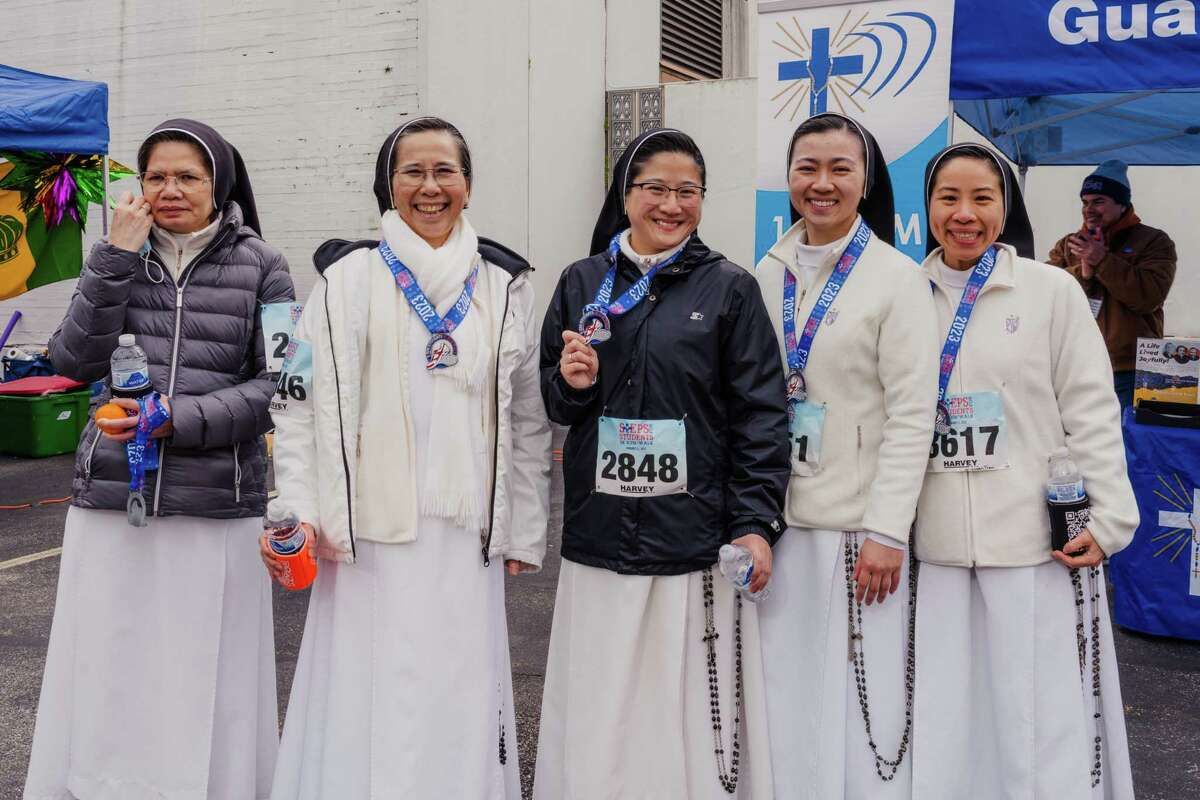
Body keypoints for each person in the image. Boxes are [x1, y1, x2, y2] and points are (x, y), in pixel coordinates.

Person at [265, 116, 550, 799]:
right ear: (388, 186)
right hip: (367, 533)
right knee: (369, 695)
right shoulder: (344, 279)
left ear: (468, 185)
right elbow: (296, 404)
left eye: (444, 171)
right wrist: (299, 508)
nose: (429, 187)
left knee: (459, 693)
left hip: (464, 540)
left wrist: (525, 527)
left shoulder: (504, 283)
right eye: (412, 172)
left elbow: (526, 419)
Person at [25, 119, 292, 799]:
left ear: (219, 184)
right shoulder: (116, 255)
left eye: (188, 176)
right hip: (114, 501)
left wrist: (180, 418)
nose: (170, 190)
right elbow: (73, 359)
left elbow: (288, 384)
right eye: (155, 177)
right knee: (113, 665)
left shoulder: (265, 265)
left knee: (205, 670)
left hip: (216, 505)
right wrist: (113, 257)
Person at [533, 129, 790, 799]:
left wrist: (754, 522)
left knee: (679, 708)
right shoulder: (581, 281)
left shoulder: (730, 288)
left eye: (687, 191)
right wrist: (573, 383)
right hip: (600, 534)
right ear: (626, 196)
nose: (671, 205)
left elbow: (761, 415)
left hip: (690, 537)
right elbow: (554, 400)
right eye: (655, 188)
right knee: (601, 701)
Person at [913, 143, 1138, 800]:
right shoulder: (904, 295)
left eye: (982, 198)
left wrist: (1110, 518)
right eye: (948, 198)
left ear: (1005, 207)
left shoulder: (1050, 291)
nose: (964, 214)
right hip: (938, 550)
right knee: (950, 720)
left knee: (1038, 717)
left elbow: (1091, 409)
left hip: (1035, 544)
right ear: (928, 207)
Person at [752, 112, 939, 800]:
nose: (822, 183)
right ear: (788, 178)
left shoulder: (896, 278)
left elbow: (913, 413)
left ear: (866, 181)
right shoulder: (765, 273)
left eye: (841, 168)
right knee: (786, 690)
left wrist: (888, 530)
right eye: (808, 168)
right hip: (779, 523)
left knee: (864, 700)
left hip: (859, 531)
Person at [1048, 159, 1177, 409]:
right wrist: (1083, 272)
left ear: (1122, 204)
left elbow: (1149, 296)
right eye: (1085, 202)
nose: (1089, 209)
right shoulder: (1068, 245)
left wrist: (1102, 261)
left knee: (1129, 434)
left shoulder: (1154, 241)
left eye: (1098, 201)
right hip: (1077, 367)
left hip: (1131, 371)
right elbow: (1047, 294)